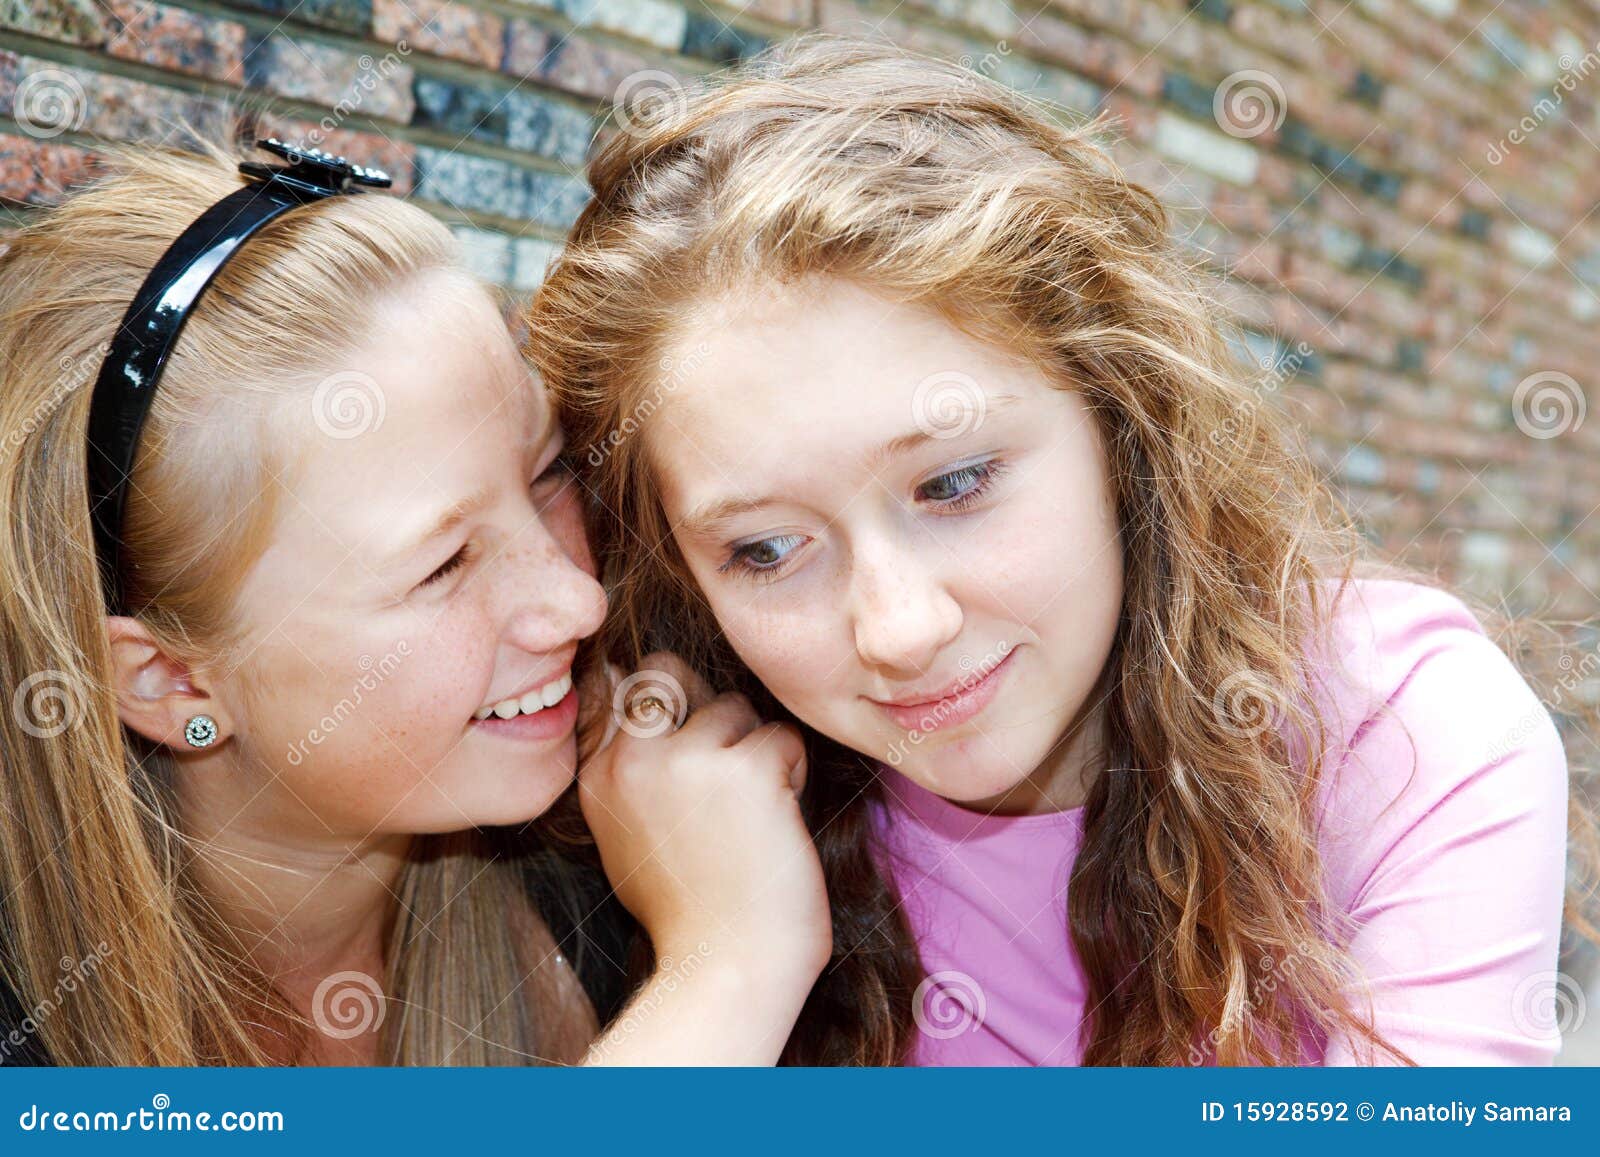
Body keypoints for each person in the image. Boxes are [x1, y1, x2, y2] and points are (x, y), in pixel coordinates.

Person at [530, 36, 1597, 1065]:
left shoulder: (1392, 727)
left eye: (952, 483)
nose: (899, 629)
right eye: (765, 549)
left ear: (1117, 418)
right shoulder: (684, 818)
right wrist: (729, 963)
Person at [0, 138, 828, 1066]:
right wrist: (730, 966)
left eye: (548, 472)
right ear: (171, 682)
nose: (576, 602)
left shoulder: (608, 877)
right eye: (441, 567)